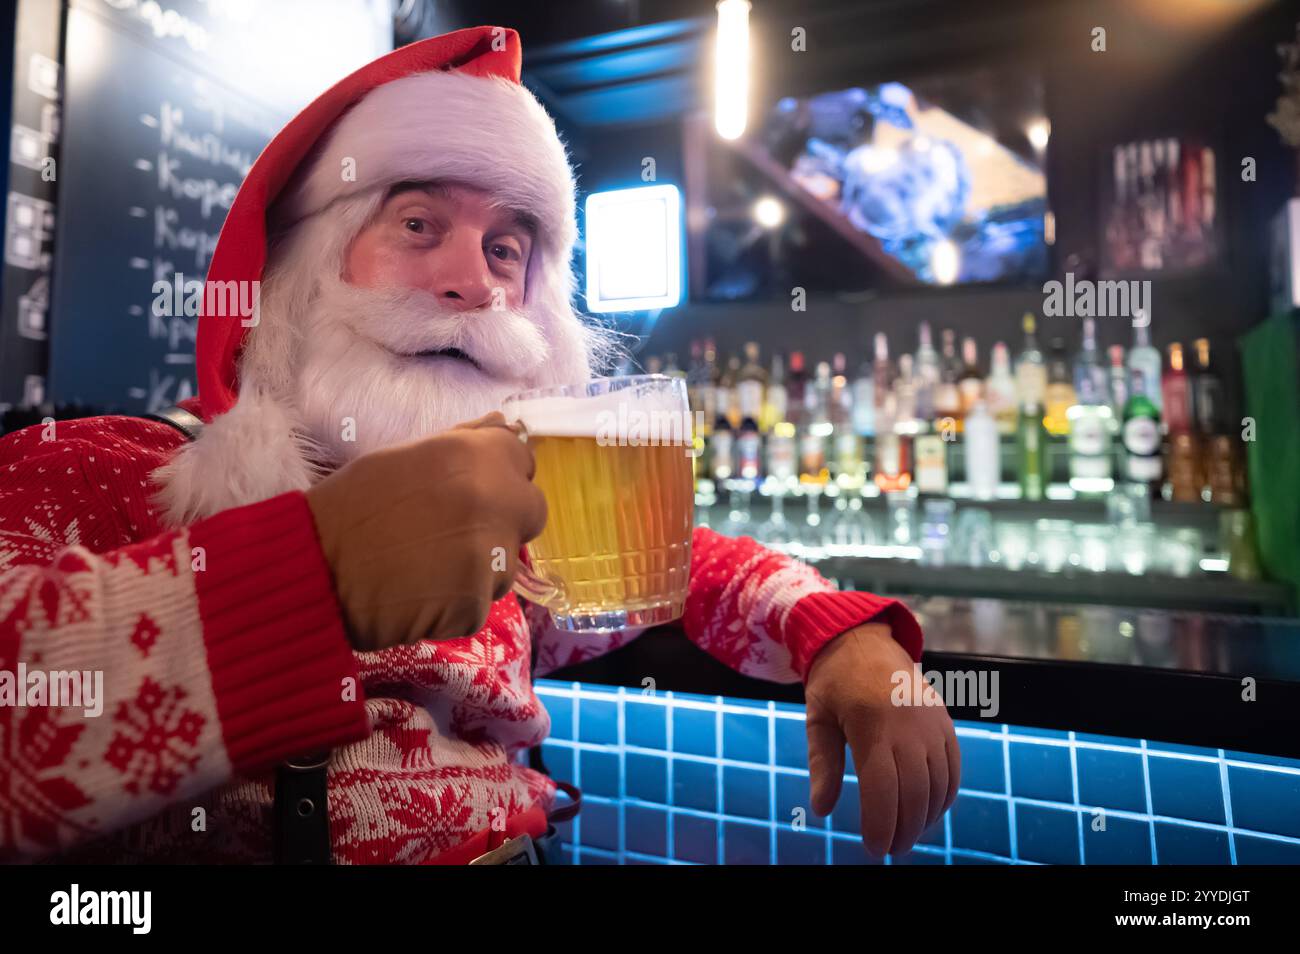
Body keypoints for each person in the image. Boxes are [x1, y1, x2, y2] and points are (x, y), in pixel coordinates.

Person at [0, 26, 957, 864]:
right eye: (417, 223)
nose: (475, 282)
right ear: (297, 272)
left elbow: (677, 570)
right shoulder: (111, 471)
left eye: (508, 248)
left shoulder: (509, 537)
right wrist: (310, 577)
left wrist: (837, 629)